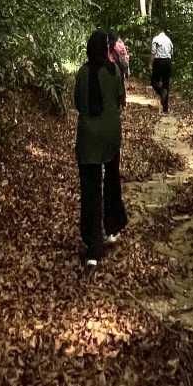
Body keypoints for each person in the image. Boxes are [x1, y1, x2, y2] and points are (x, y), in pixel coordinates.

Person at [73, 29, 127, 269]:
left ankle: (93, 246)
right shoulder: (113, 70)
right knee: (112, 180)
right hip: (110, 136)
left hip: (88, 140)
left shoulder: (82, 74)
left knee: (90, 189)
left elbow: (77, 104)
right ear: (106, 49)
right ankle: (112, 229)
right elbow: (119, 99)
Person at [150, 28, 173, 113]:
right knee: (166, 84)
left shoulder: (156, 39)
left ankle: (161, 91)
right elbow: (171, 53)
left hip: (159, 61)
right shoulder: (169, 40)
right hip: (168, 62)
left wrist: (150, 63)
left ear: (158, 32)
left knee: (153, 81)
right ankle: (165, 109)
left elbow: (153, 52)